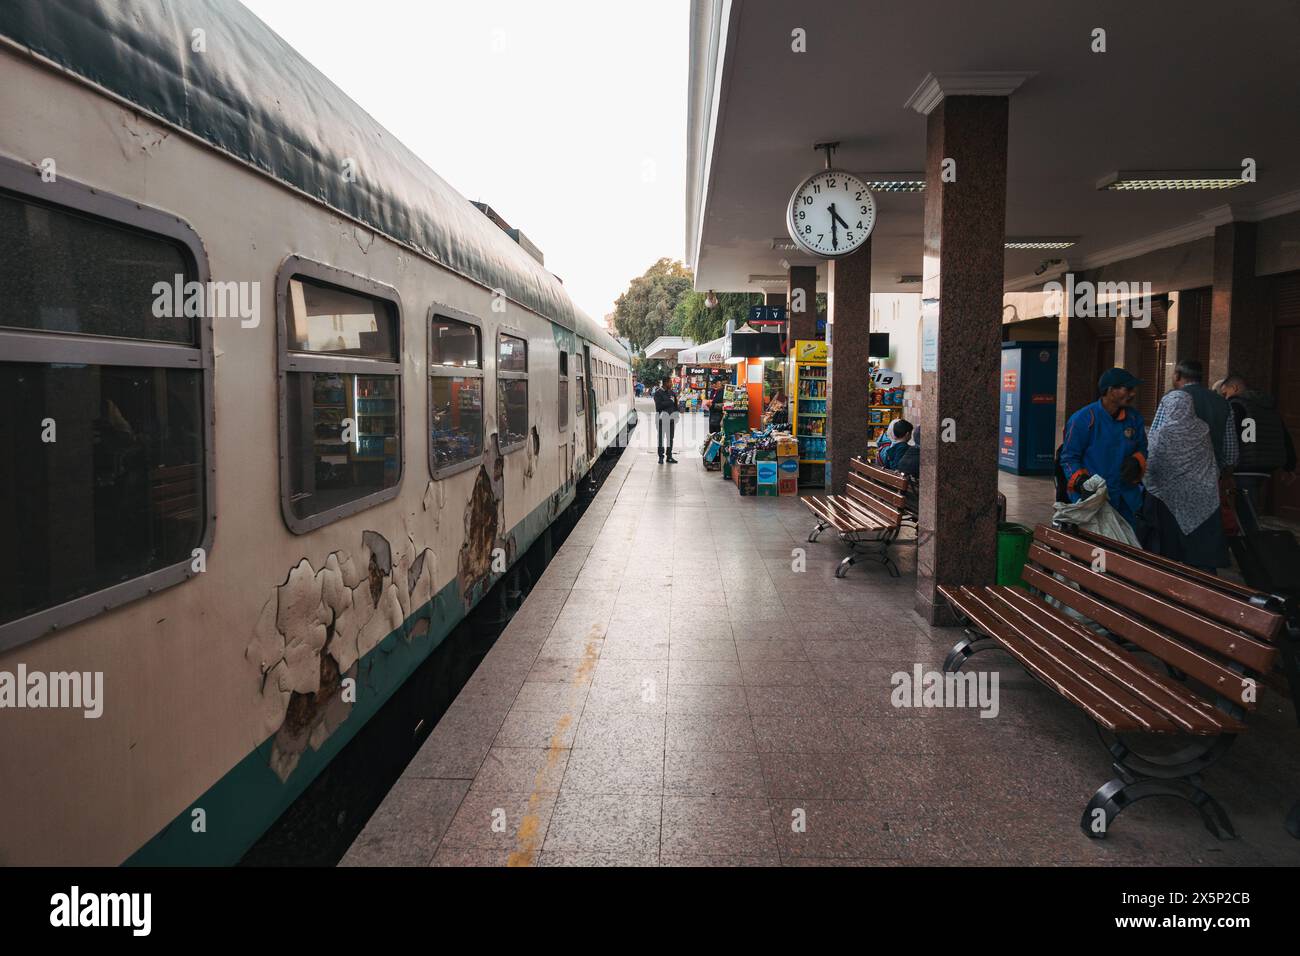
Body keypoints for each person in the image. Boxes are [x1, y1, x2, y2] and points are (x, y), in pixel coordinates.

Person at [1140, 389, 1227, 571]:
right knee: (1200, 555)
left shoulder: (1161, 435)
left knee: (1168, 555)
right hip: (1203, 499)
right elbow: (1210, 464)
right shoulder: (1203, 429)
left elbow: (1150, 469)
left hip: (1168, 502)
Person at [1060, 367, 1148, 532]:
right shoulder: (1083, 419)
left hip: (1126, 499)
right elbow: (1069, 458)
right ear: (1110, 390)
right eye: (1128, 389)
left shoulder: (1134, 418)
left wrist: (1137, 461)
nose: (1133, 394)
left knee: (1126, 549)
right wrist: (1081, 482)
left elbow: (1143, 448)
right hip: (1093, 500)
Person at [1219, 373, 1297, 531]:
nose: (1224, 398)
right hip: (1265, 467)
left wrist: (1224, 464)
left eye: (1225, 393)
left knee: (1245, 513)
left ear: (1235, 388)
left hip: (1244, 467)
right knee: (1250, 505)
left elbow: (1230, 434)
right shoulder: (1268, 407)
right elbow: (1284, 435)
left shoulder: (1236, 405)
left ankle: (1251, 547)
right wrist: (1290, 466)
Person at [1155, 359, 1237, 472]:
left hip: (1175, 470)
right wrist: (1227, 470)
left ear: (1177, 376)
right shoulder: (1223, 403)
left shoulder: (1171, 398)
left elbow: (1156, 433)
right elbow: (1230, 447)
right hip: (1210, 470)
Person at [653, 376, 679, 463]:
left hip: (671, 420)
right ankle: (661, 457)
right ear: (665, 383)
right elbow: (659, 406)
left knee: (670, 438)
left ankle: (669, 456)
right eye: (670, 382)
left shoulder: (672, 393)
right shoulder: (658, 393)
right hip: (661, 419)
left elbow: (675, 405)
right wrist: (669, 401)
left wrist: (676, 415)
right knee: (661, 438)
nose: (672, 384)